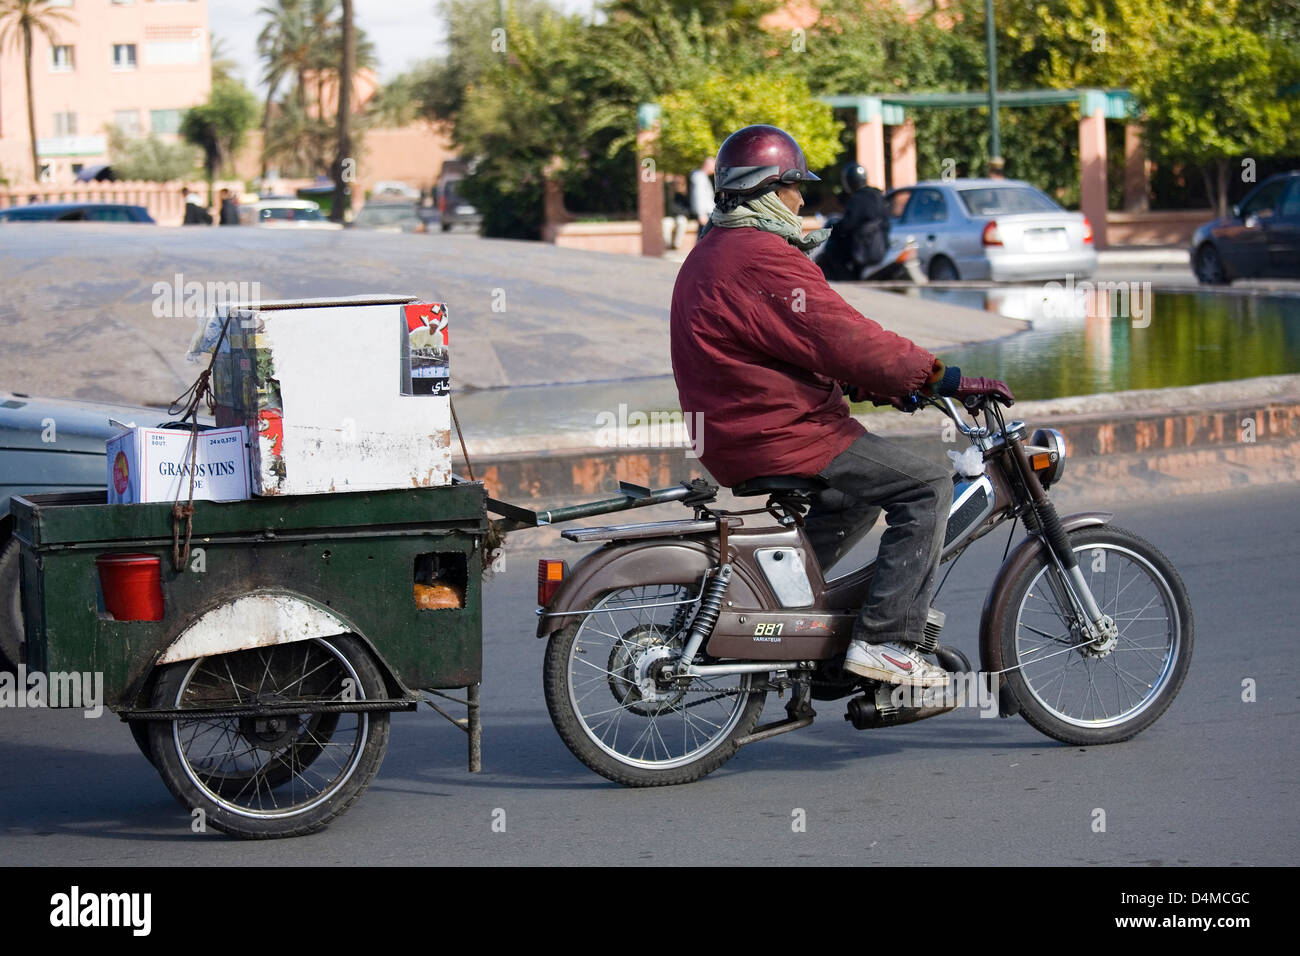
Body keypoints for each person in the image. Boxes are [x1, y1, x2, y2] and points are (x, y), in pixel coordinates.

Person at [670, 124, 1013, 688]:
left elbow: (805, 351)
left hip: (740, 429)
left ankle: (797, 611)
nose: (802, 200)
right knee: (925, 484)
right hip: (779, 432)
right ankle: (885, 642)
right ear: (764, 190)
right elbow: (846, 339)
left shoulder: (716, 253)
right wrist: (941, 377)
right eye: (793, 188)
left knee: (854, 499)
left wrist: (896, 388)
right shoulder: (760, 258)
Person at [819, 163, 890, 281]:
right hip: (880, 245)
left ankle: (847, 280)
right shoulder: (877, 195)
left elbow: (848, 224)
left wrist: (835, 228)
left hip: (864, 248)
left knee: (833, 250)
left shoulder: (858, 198)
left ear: (849, 181)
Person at [689, 156, 715, 231]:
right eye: (713, 166)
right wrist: (701, 214)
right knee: (703, 238)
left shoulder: (703, 177)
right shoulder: (700, 177)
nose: (714, 168)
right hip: (705, 213)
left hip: (707, 212)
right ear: (707, 165)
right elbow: (698, 196)